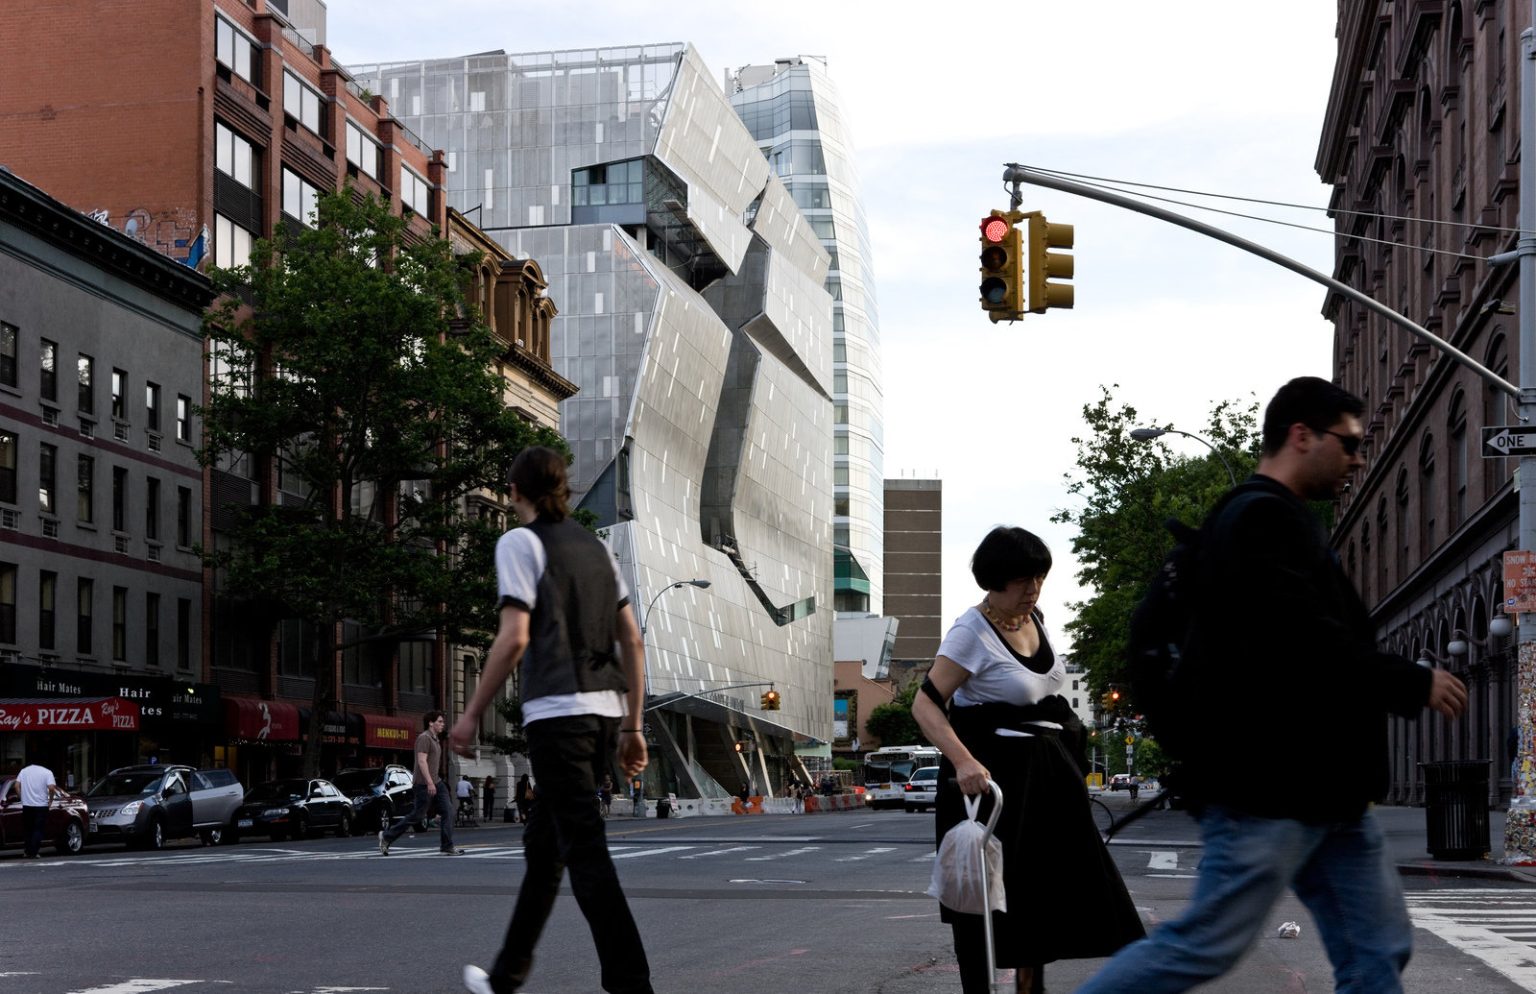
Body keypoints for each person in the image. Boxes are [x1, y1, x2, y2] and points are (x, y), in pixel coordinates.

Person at [1075, 376, 1470, 994]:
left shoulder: (1279, 522)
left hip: (1326, 792)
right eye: (1349, 443)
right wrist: (1411, 680)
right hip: (1269, 789)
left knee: (1377, 950)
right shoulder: (1258, 521)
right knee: (1203, 946)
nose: (1358, 459)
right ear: (1301, 435)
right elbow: (1303, 645)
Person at [451, 445, 653, 994]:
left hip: (558, 715)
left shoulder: (519, 542)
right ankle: (505, 975)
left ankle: (633, 984)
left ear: (515, 491)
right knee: (545, 848)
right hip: (606, 712)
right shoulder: (598, 550)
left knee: (585, 851)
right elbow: (631, 638)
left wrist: (468, 715)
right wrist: (633, 727)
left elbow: (514, 636)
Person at [912, 526, 1144, 994]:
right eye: (1021, 580)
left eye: (1039, 576)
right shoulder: (970, 632)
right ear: (993, 581)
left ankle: (1029, 989)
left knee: (1045, 895)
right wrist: (963, 762)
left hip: (1048, 779)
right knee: (985, 899)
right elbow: (925, 704)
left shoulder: (1032, 616)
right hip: (994, 782)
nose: (1033, 588)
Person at [378, 711, 464, 856]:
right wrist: (430, 783)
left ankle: (447, 846)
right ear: (431, 723)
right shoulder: (424, 738)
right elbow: (421, 761)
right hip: (423, 784)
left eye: (442, 722)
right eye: (440, 721)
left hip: (437, 782)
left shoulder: (435, 739)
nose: (442, 724)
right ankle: (387, 836)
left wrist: (434, 782)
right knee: (417, 816)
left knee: (448, 811)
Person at [17, 758, 66, 859]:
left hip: (27, 805)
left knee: (28, 829)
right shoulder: (47, 772)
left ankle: (27, 851)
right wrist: (50, 800)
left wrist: (22, 797)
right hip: (41, 805)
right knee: (38, 829)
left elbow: (16, 786)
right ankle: (34, 852)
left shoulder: (23, 771)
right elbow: (52, 788)